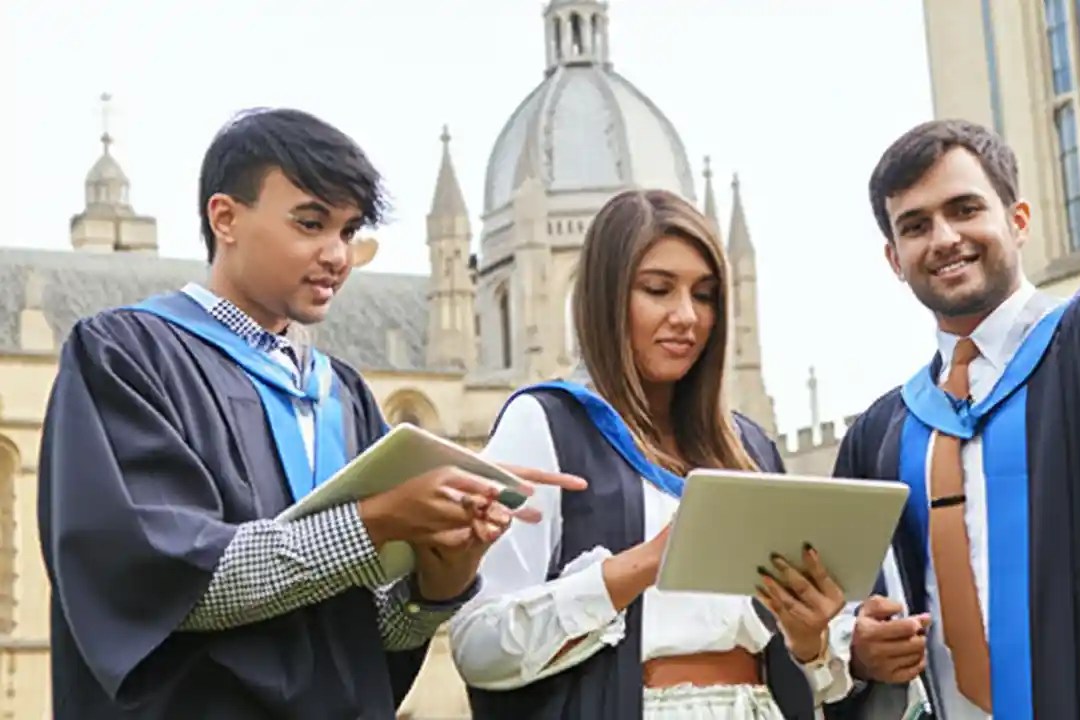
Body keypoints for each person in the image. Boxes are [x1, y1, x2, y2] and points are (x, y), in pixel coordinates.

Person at [36, 107, 584, 719]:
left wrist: (445, 572)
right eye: (311, 223)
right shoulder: (127, 357)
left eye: (349, 232)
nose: (337, 255)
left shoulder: (341, 396)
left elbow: (376, 633)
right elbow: (168, 584)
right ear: (226, 218)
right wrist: (378, 520)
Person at [821, 119, 1080, 720]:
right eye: (916, 226)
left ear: (1018, 221)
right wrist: (859, 650)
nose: (944, 238)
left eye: (965, 209)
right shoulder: (882, 434)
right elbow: (845, 606)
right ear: (895, 259)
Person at [447, 189, 859, 719]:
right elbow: (477, 647)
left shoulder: (749, 448)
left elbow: (812, 679)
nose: (686, 316)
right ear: (604, 297)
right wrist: (644, 564)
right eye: (658, 289)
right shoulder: (548, 423)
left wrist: (810, 636)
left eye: (705, 295)